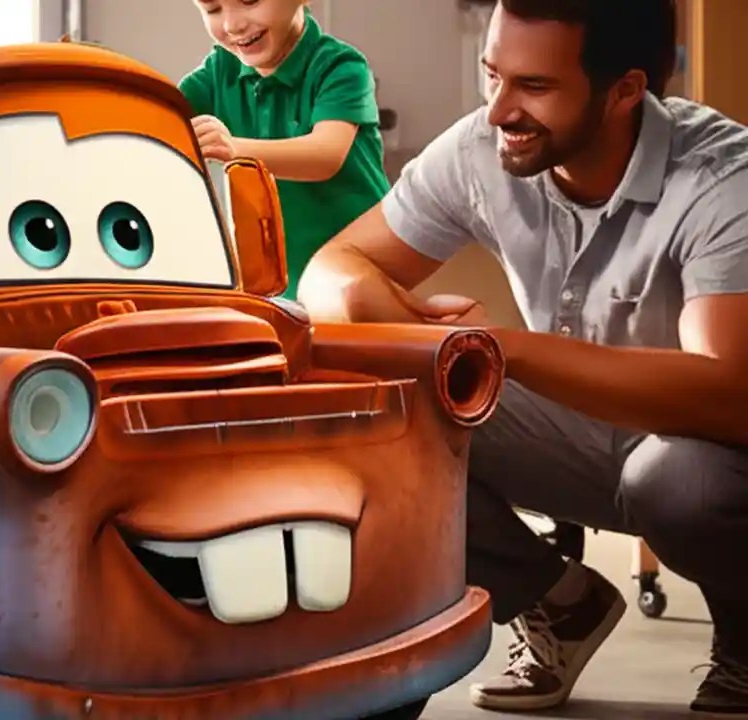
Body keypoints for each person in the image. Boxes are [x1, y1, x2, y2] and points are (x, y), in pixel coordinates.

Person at [296, 0, 748, 714]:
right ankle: (555, 602)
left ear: (625, 90)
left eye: (534, 86)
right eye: (492, 74)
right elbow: (330, 268)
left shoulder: (723, 176)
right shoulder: (482, 147)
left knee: (677, 481)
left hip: (708, 453)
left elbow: (730, 394)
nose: (499, 109)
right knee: (362, 391)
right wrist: (384, 312)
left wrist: (500, 349)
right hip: (576, 438)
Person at [177, 0, 390, 301]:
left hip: (359, 262)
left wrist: (235, 148)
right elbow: (162, 112)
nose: (232, 24)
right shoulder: (218, 71)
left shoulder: (341, 66)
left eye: (249, 1)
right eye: (213, 9)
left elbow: (325, 156)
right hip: (276, 280)